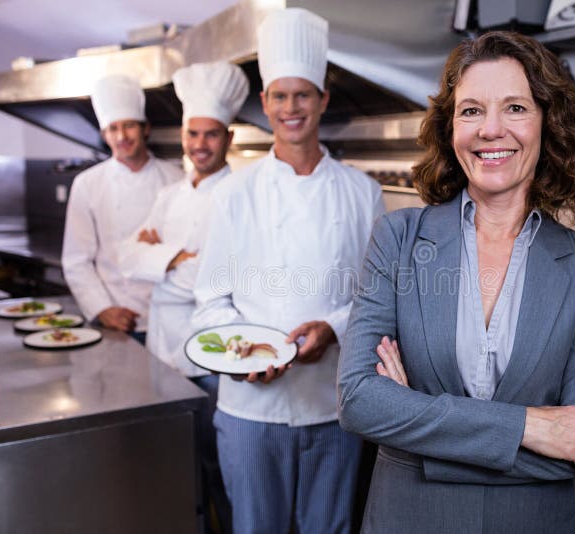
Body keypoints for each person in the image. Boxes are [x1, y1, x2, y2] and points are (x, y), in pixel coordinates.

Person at [337, 31, 575, 533]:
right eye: (470, 111)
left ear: (547, 123)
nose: (491, 129)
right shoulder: (398, 239)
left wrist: (414, 429)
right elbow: (359, 400)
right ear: (450, 129)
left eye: (515, 107)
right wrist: (531, 426)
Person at [192, 8, 385, 534]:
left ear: (322, 99)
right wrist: (241, 354)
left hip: (334, 409)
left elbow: (379, 295)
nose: (291, 107)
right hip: (250, 409)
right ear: (264, 105)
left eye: (302, 94)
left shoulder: (361, 191)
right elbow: (210, 298)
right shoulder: (235, 193)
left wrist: (334, 329)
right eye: (279, 96)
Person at [117, 60, 249, 534]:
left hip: (211, 358)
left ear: (228, 139)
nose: (200, 145)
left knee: (220, 473)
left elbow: (213, 281)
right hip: (162, 353)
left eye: (211, 135)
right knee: (175, 471)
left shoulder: (241, 192)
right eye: (193, 134)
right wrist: (179, 258)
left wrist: (160, 259)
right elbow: (124, 256)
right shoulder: (170, 194)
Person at [62, 74, 182, 343]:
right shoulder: (87, 184)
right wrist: (103, 309)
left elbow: (185, 252)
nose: (122, 136)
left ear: (145, 128)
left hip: (169, 315)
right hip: (115, 317)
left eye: (129, 126)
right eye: (113, 128)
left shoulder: (176, 179)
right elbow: (76, 260)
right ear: (105, 134)